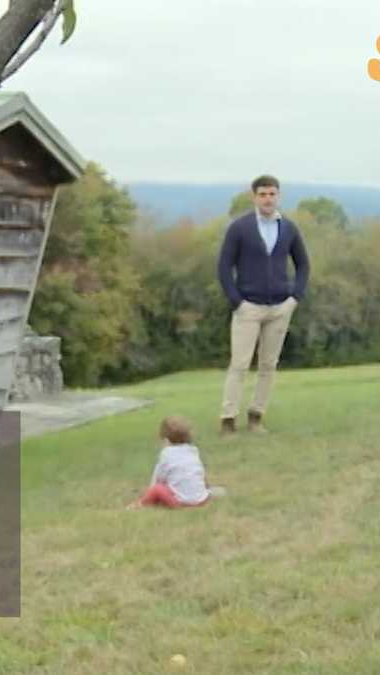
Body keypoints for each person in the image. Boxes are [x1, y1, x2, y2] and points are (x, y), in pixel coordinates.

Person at [216, 175, 311, 435]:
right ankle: (228, 419)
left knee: (268, 366)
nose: (268, 199)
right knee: (239, 364)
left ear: (278, 196)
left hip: (280, 308)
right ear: (254, 197)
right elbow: (224, 267)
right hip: (248, 307)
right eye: (263, 194)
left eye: (272, 194)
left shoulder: (288, 228)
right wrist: (236, 301)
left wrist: (295, 298)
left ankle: (256, 416)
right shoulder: (239, 228)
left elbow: (303, 264)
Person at [129, 416, 211, 509]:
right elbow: (201, 474)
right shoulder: (193, 450)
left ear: (166, 440)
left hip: (181, 502)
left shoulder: (166, 454)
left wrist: (151, 490)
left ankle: (141, 504)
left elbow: (159, 478)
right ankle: (200, 493)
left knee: (157, 489)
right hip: (202, 499)